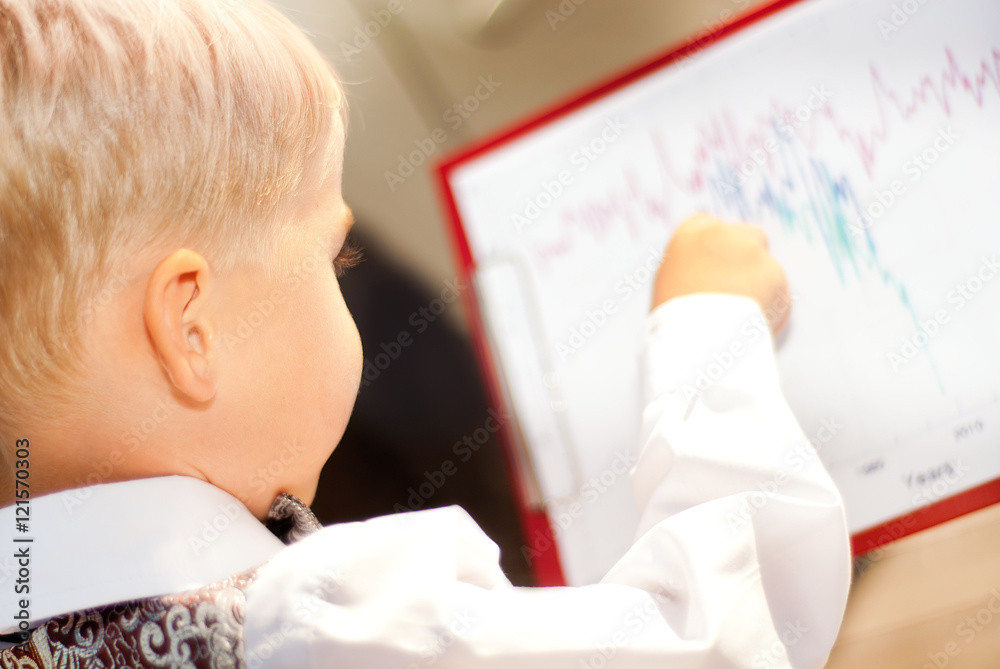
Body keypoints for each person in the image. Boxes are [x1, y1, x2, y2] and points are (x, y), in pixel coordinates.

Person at [0, 1, 850, 667]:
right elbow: (722, 640)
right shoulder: (325, 622)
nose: (350, 276)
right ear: (192, 329)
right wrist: (709, 332)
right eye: (337, 255)